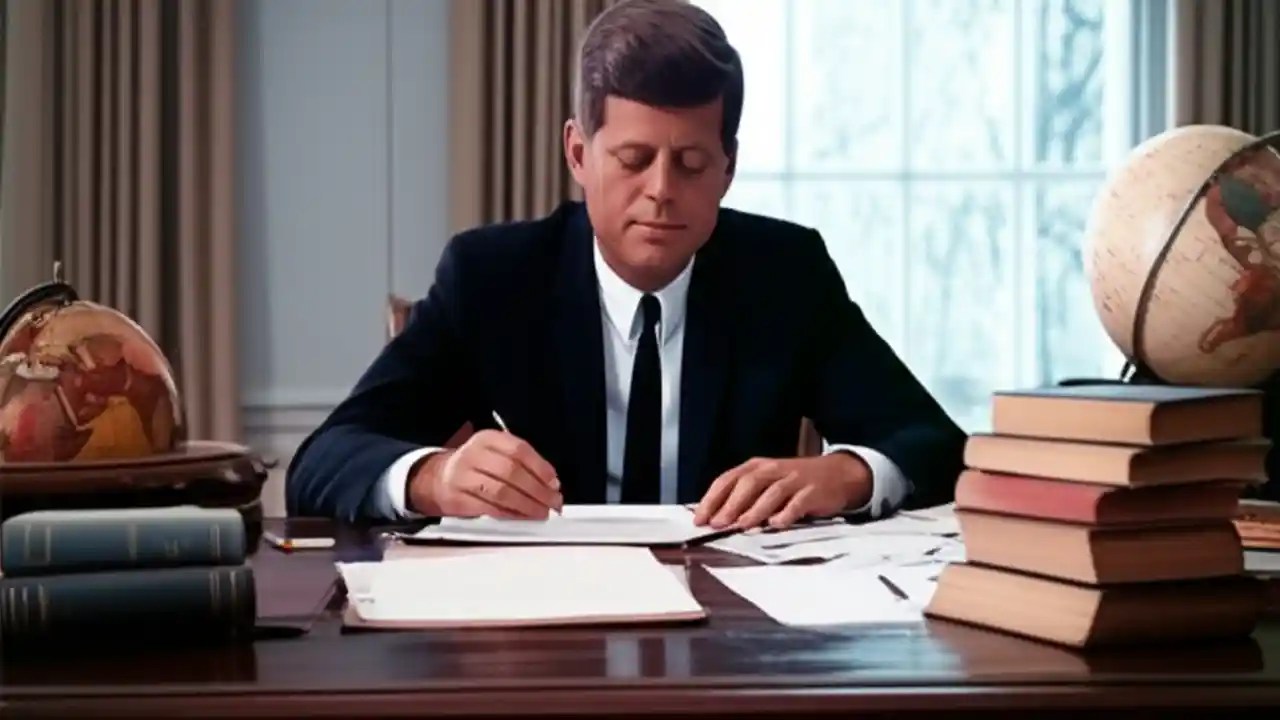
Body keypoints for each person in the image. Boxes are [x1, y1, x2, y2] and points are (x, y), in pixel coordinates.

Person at [286, 0, 967, 528]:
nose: (662, 190)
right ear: (579, 154)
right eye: (634, 160)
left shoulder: (785, 274)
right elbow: (324, 460)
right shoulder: (493, 277)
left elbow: (937, 444)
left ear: (728, 168)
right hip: (541, 622)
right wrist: (434, 478)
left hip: (732, 628)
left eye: (692, 163)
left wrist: (847, 474)